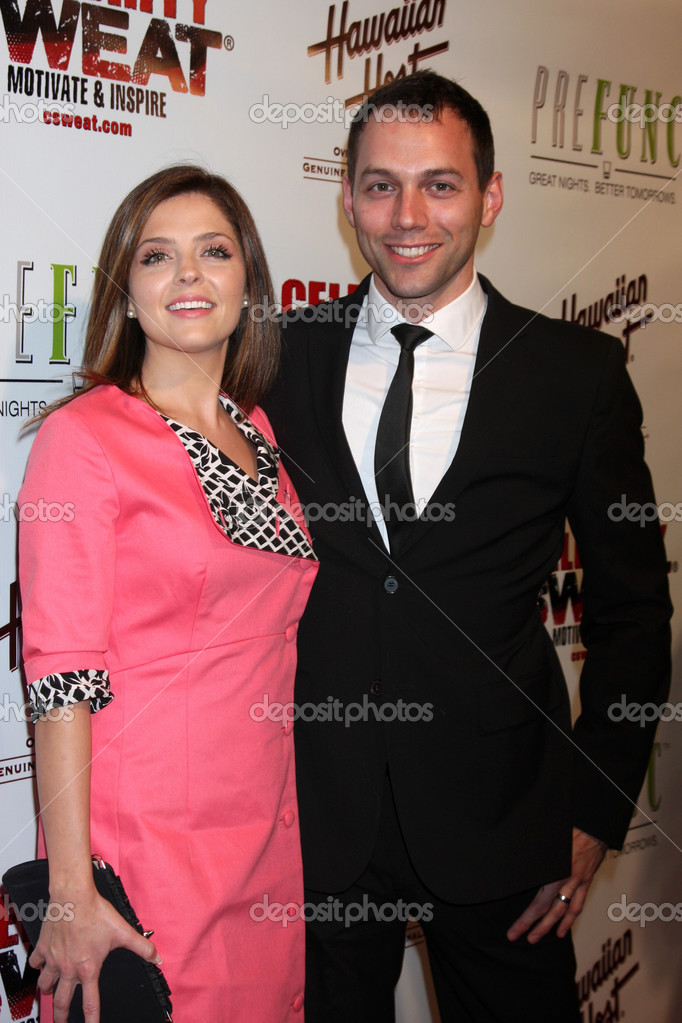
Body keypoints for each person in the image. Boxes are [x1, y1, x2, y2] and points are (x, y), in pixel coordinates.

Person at [264, 71, 672, 1022]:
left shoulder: (577, 376)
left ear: (489, 196)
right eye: (380, 185)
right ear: (349, 197)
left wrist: (592, 811)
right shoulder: (282, 357)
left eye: (440, 185)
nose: (408, 215)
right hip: (321, 820)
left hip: (507, 828)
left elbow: (634, 610)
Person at [18, 165, 318, 1023]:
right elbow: (61, 678)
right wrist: (70, 891)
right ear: (127, 289)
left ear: (247, 283)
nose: (189, 274)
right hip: (144, 855)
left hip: (263, 844)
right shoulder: (83, 439)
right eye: (158, 256)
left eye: (214, 251)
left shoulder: (256, 431)